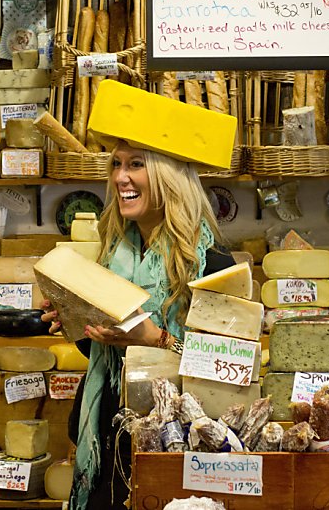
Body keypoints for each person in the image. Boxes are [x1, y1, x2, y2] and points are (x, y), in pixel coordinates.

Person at [42, 139, 234, 510]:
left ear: (169, 177)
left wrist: (156, 338)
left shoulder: (213, 265)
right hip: (108, 441)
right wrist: (75, 320)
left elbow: (233, 370)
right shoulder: (113, 257)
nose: (120, 177)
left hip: (176, 446)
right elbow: (107, 352)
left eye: (136, 165)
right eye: (116, 164)